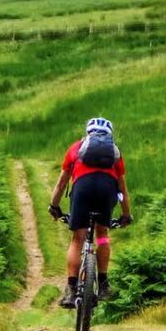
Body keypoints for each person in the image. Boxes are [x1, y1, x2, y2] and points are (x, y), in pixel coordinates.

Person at [48, 117, 132, 308]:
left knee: (78, 239)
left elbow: (62, 183)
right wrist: (126, 215)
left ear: (87, 133)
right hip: (106, 191)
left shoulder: (75, 148)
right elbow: (123, 190)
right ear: (109, 135)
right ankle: (103, 285)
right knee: (102, 235)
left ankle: (70, 290)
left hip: (83, 189)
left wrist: (54, 206)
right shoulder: (114, 153)